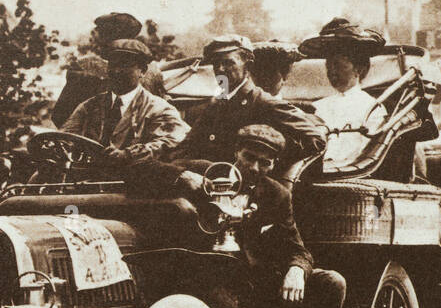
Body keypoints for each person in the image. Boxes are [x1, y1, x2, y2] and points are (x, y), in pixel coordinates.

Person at [164, 124, 346, 308]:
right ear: (236, 152)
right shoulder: (207, 172)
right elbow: (141, 166)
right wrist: (183, 177)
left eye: (266, 162)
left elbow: (297, 247)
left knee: (332, 283)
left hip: (257, 283)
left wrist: (296, 271)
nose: (256, 167)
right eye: (249, 157)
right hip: (209, 279)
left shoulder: (276, 194)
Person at [129, 35, 326, 191]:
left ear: (247, 66)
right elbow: (187, 146)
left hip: (242, 189)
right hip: (206, 184)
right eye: (216, 64)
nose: (221, 69)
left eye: (228, 63)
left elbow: (316, 139)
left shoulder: (264, 102)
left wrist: (266, 165)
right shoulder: (216, 104)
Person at [62, 39, 189, 162]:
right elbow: (65, 137)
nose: (117, 71)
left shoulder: (158, 108)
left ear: (142, 71)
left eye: (125, 65)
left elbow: (175, 139)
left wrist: (128, 155)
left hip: (134, 179)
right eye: (113, 65)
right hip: (87, 178)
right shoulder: (89, 106)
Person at [52, 12, 167, 127]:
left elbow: (60, 116)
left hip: (90, 142)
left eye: (98, 32)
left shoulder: (84, 66)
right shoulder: (152, 70)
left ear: (104, 37)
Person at [303, 19, 387, 171]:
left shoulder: (372, 108)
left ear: (359, 69)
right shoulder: (317, 107)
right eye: (329, 65)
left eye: (338, 65)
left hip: (348, 172)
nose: (332, 71)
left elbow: (366, 154)